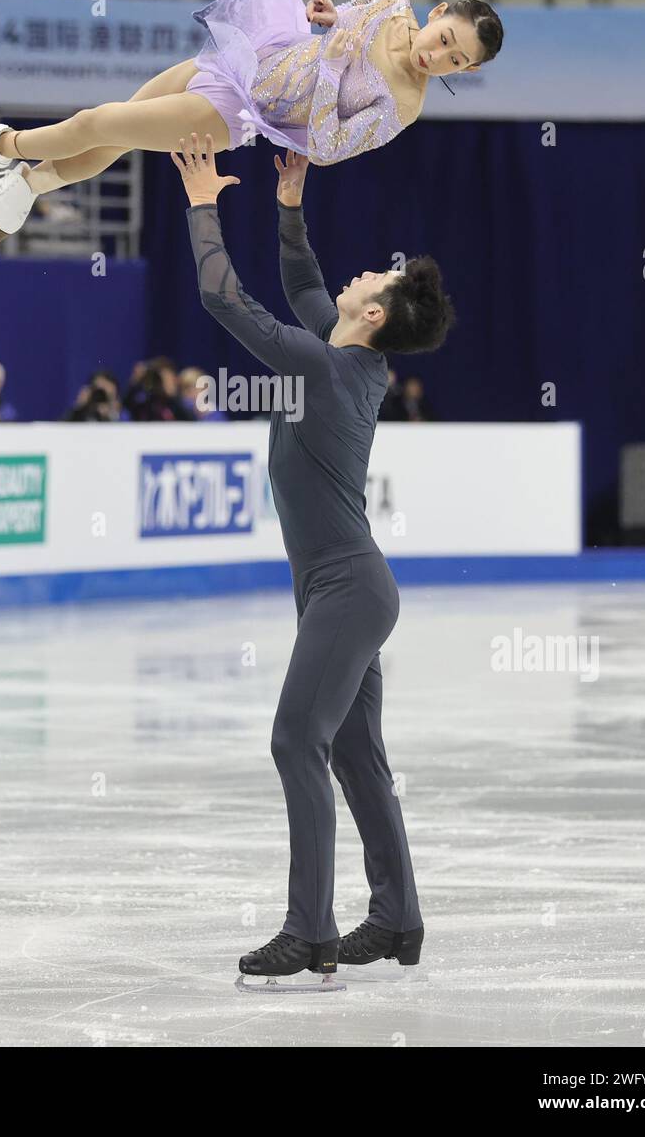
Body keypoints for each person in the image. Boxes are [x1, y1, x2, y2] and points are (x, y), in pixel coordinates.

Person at [172, 134, 454, 990]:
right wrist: (290, 207)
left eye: (373, 280)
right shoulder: (345, 364)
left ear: (372, 316)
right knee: (355, 754)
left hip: (345, 591)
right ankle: (397, 916)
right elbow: (301, 289)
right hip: (350, 590)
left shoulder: (326, 372)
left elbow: (228, 300)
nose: (360, 275)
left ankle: (311, 931)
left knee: (298, 741)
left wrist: (199, 204)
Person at [0, 0, 503, 254]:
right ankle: (18, 196)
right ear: (439, 13)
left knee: (98, 122)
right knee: (115, 136)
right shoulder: (394, 1)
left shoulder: (403, 107)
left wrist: (332, 66)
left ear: (468, 71)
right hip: (251, 58)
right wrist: (332, 18)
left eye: (456, 62)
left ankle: (0, 147)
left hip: (241, 114)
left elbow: (327, 148)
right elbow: (345, 18)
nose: (440, 56)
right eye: (446, 38)